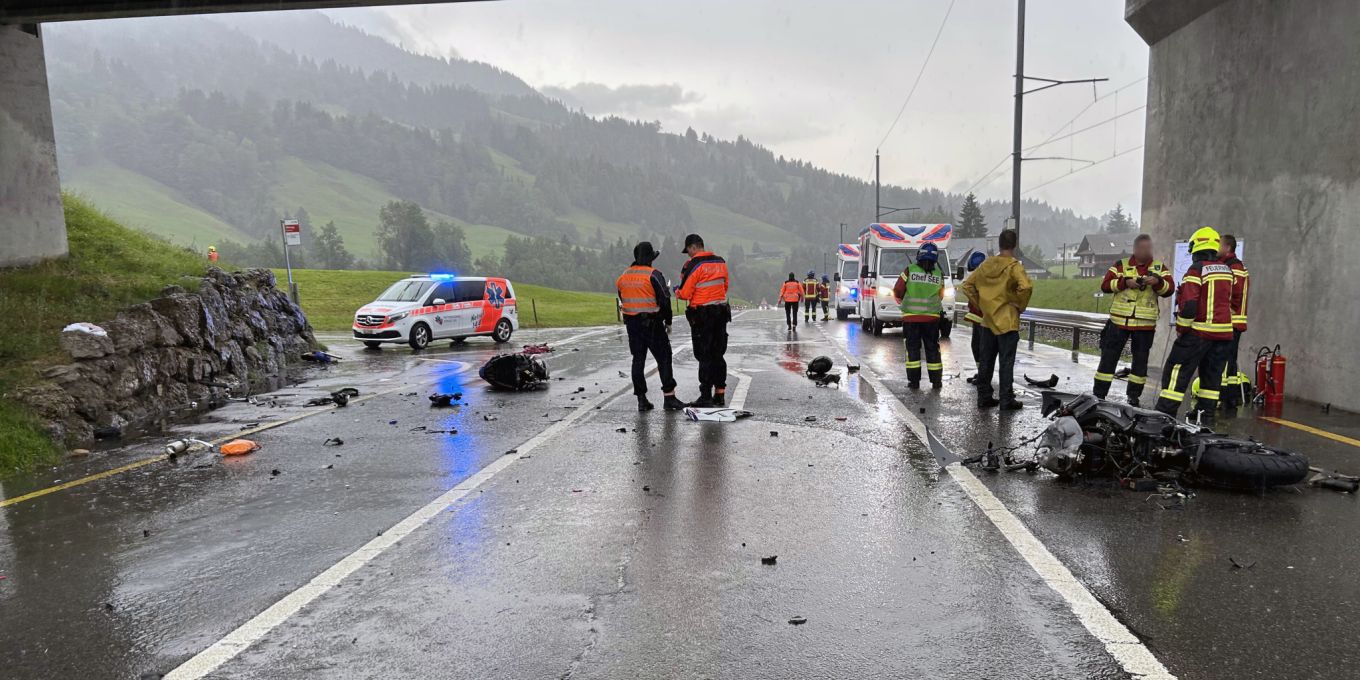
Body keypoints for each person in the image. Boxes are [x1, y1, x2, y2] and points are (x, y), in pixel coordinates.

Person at [1155, 226, 1236, 427]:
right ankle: (1205, 418)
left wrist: (1182, 328)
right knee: (1211, 379)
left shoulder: (1196, 270)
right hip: (1223, 336)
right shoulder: (1227, 270)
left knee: (1176, 372)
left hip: (1198, 332)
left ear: (1196, 247)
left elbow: (1190, 305)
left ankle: (1163, 417)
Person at [1092, 234, 1174, 407]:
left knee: (1140, 364)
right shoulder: (1121, 265)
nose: (1146, 251)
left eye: (1148, 248)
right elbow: (1105, 285)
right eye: (1142, 248)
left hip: (1145, 325)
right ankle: (1099, 395)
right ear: (1135, 249)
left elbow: (1169, 289)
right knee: (1108, 358)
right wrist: (1124, 282)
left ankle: (1134, 396)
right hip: (1119, 322)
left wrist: (1157, 281)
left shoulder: (1159, 267)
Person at [961, 229, 1032, 410]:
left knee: (986, 361)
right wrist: (1019, 305)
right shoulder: (1014, 266)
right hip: (1007, 322)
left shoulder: (986, 265)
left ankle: (984, 397)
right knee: (1006, 363)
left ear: (999, 244)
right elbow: (1025, 287)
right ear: (1014, 245)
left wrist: (982, 304)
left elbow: (967, 285)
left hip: (987, 322)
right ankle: (1006, 399)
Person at [616, 242, 685, 412]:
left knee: (638, 360)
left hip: (632, 326)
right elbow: (665, 300)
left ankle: (641, 399)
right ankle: (669, 398)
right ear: (650, 259)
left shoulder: (623, 277)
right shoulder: (653, 274)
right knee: (664, 358)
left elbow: (622, 298)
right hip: (652, 325)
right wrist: (668, 321)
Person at [677, 234, 731, 407]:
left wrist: (677, 291)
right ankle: (720, 394)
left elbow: (685, 293)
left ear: (693, 247)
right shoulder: (720, 262)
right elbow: (725, 285)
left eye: (688, 251)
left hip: (702, 315)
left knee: (704, 355)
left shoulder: (693, 265)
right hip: (721, 312)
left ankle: (705, 395)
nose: (688, 255)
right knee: (718, 354)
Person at [892, 242, 945, 389]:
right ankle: (936, 381)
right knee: (932, 348)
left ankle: (914, 382)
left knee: (913, 349)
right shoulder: (939, 274)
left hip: (911, 318)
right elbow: (941, 295)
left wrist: (904, 301)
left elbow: (897, 290)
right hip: (932, 319)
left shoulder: (909, 270)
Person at [1219, 234, 1249, 409]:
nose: (1216, 248)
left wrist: (1222, 311)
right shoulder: (1231, 265)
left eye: (1219, 245)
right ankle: (1228, 397)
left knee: (1224, 360)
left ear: (1228, 247)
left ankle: (1225, 396)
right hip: (1232, 321)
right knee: (1229, 360)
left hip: (1231, 321)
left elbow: (1234, 293)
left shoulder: (1233, 266)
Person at [963, 251, 987, 384]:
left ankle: (983, 375)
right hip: (979, 317)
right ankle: (981, 372)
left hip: (982, 318)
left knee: (980, 347)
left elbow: (967, 288)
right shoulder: (985, 277)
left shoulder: (981, 278)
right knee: (977, 346)